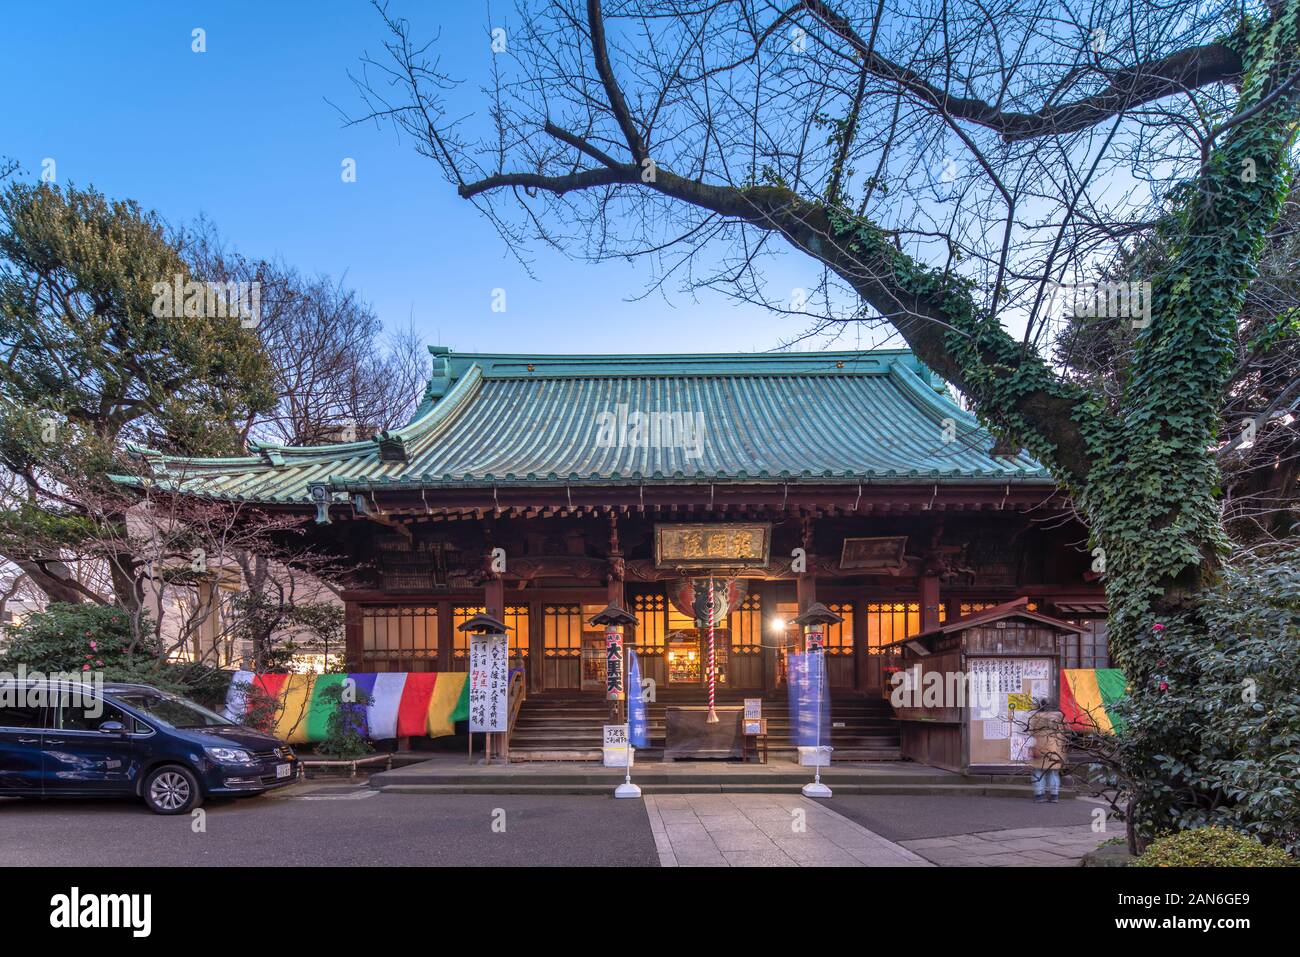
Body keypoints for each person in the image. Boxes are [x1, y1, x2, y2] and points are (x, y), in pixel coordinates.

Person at [1025, 699, 1067, 803]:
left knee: (1038, 771)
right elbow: (1065, 731)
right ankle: (1054, 795)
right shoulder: (1059, 717)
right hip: (1056, 747)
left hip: (1041, 746)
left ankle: (1039, 795)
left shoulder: (1036, 717)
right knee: (1053, 772)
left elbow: (1031, 732)